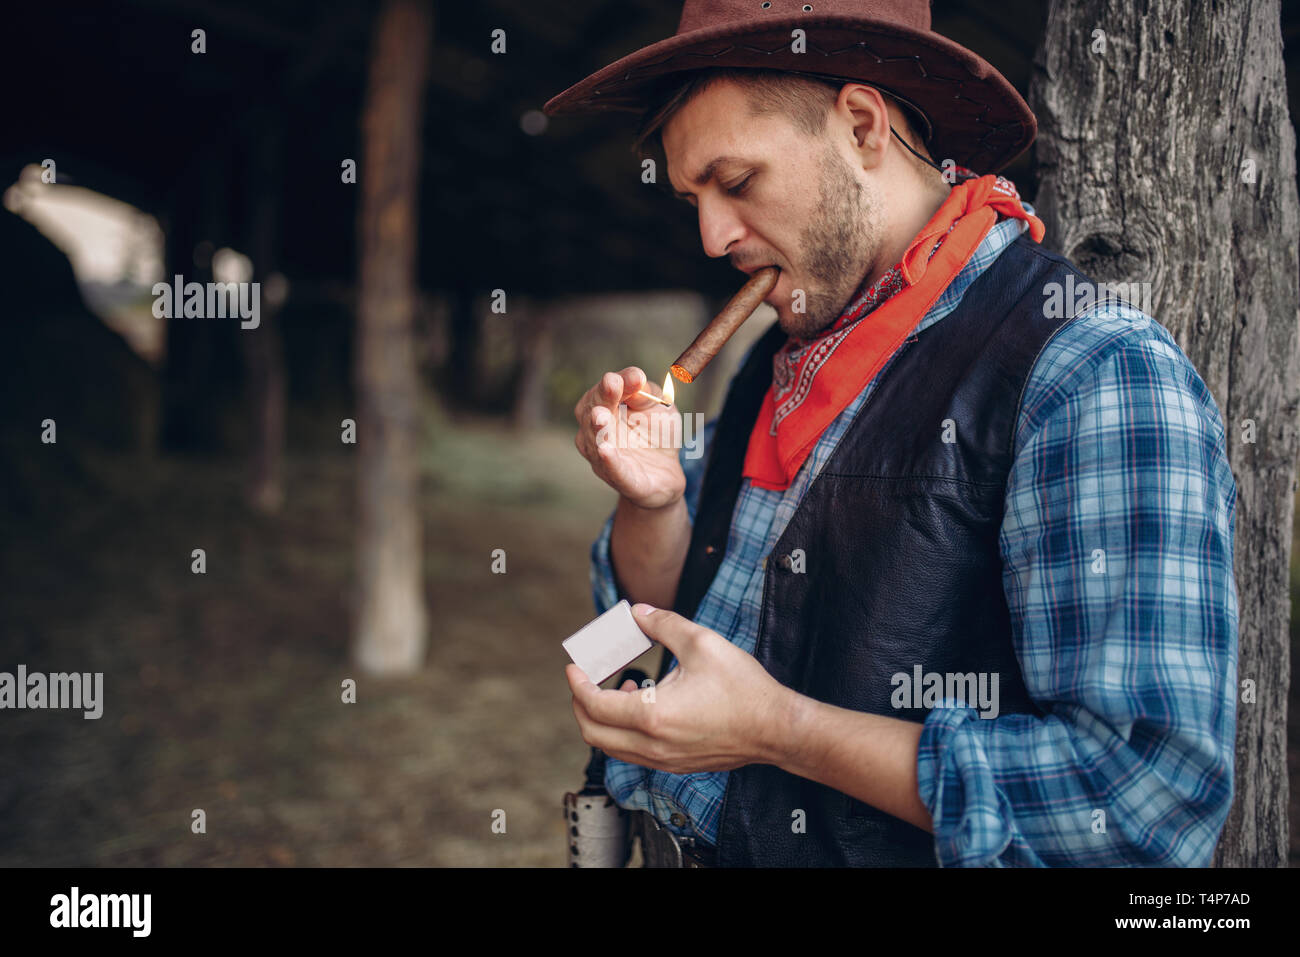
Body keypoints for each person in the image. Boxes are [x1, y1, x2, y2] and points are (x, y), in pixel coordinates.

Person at [548, 0, 1238, 867]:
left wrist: (780, 730)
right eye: (693, 198)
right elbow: (656, 626)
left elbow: (1139, 803)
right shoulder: (783, 349)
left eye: (736, 182)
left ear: (864, 127)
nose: (711, 236)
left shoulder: (1090, 372)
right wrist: (654, 505)